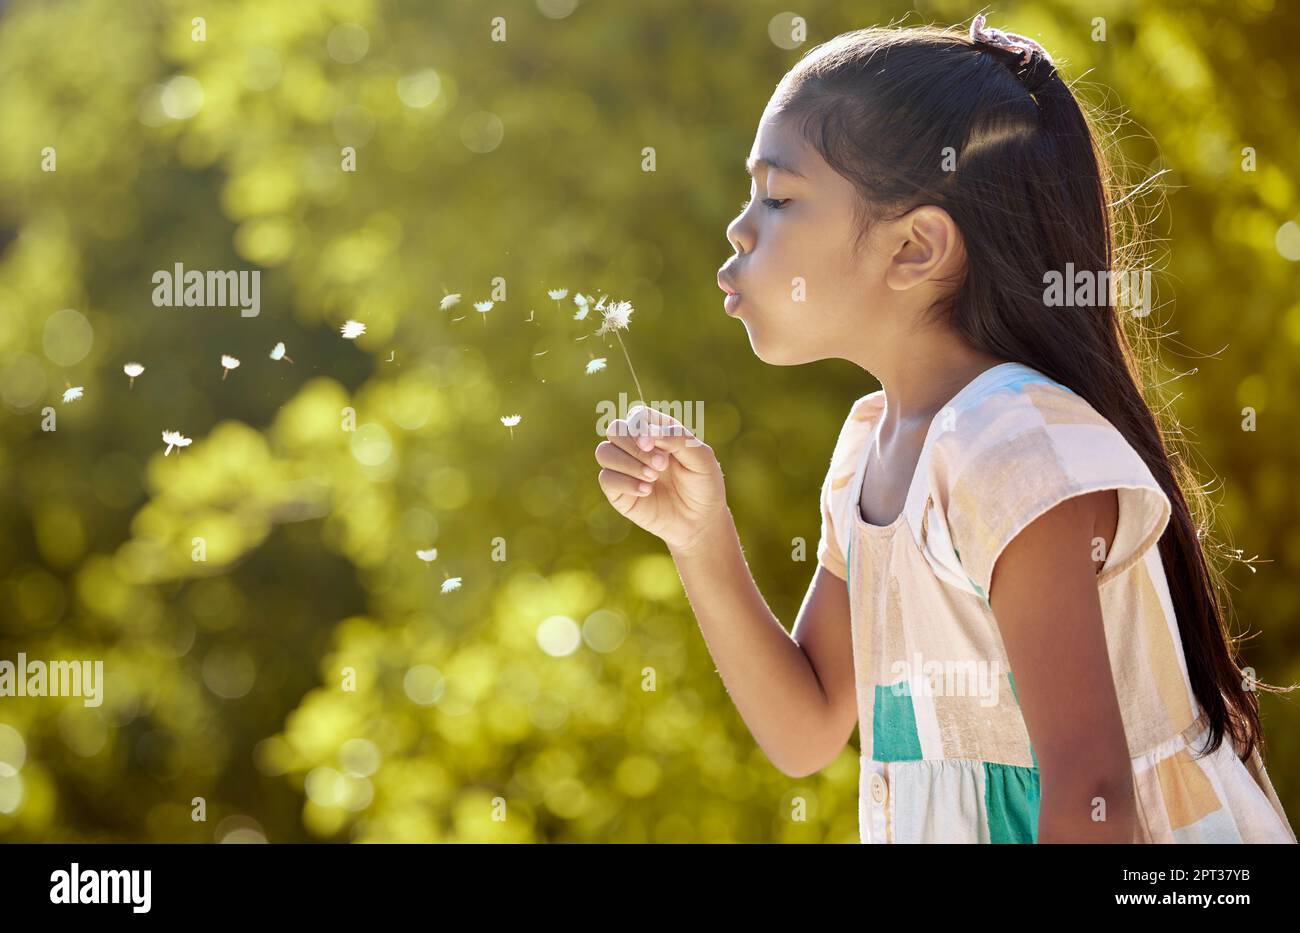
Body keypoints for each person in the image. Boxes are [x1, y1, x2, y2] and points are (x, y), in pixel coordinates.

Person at [593, 16, 1297, 843]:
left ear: (915, 247)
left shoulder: (1009, 449)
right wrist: (700, 537)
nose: (739, 228)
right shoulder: (872, 448)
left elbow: (1093, 794)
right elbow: (807, 726)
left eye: (778, 197)